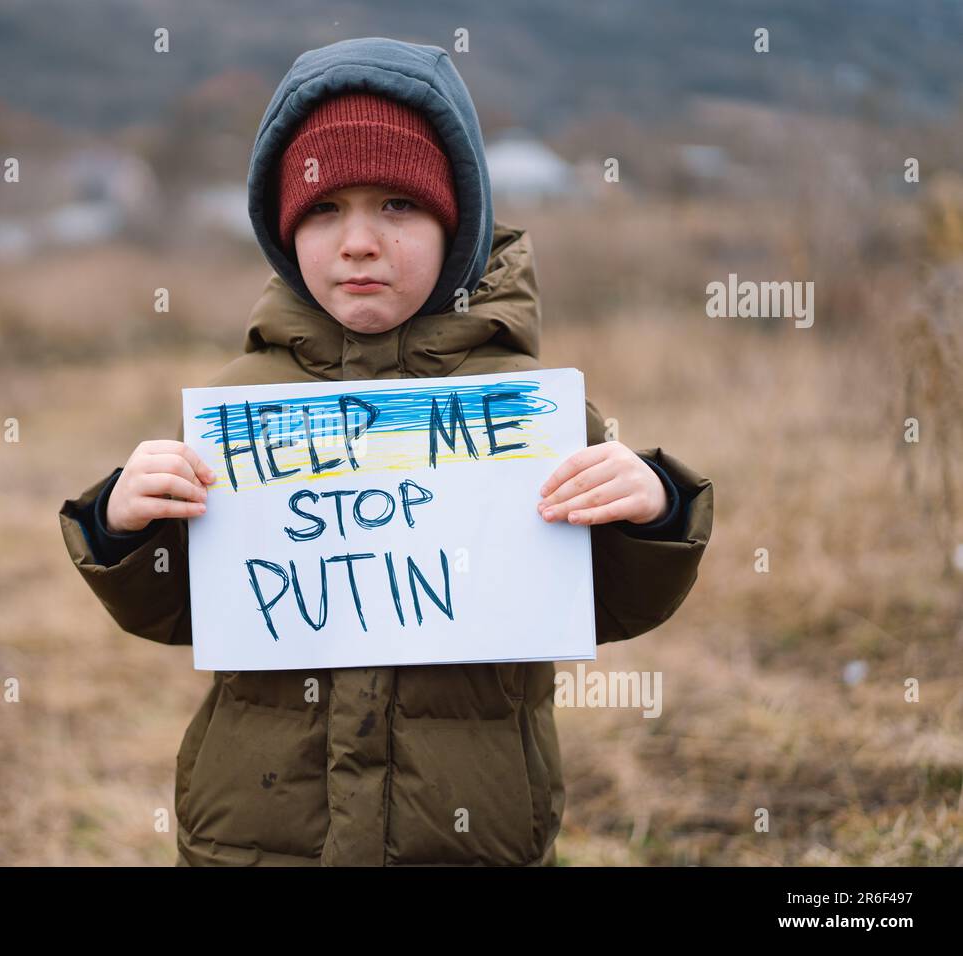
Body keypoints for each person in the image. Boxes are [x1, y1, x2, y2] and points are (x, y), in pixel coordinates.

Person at [58, 36, 714, 866]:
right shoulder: (239, 406)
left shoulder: (525, 412)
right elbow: (177, 609)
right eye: (324, 210)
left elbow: (615, 603)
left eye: (397, 206)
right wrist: (125, 526)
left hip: (470, 835)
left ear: (457, 223)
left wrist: (653, 510)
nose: (358, 241)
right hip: (258, 838)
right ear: (283, 229)